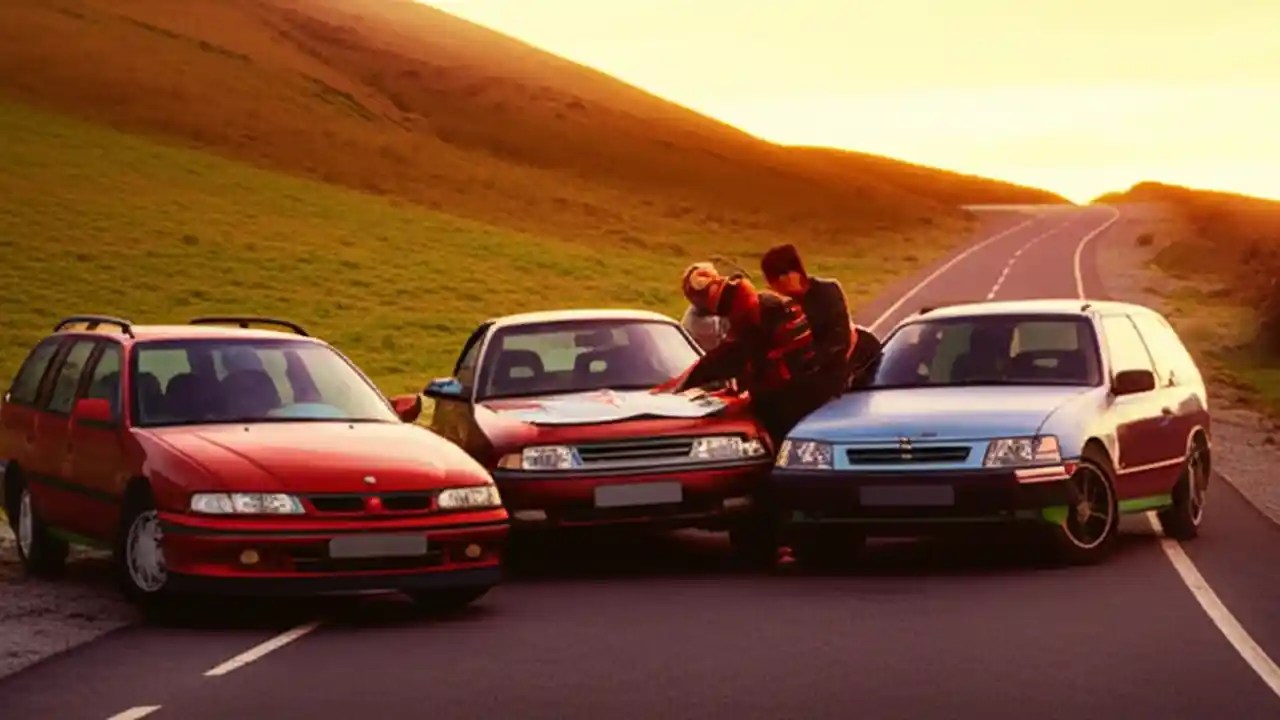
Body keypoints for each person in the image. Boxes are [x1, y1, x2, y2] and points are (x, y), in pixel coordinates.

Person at [658, 262, 827, 444]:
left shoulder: (755, 318)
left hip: (794, 401)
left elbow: (728, 359)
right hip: (805, 392)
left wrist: (676, 387)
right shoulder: (763, 304)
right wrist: (677, 385)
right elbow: (722, 359)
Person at [760, 243, 882, 392]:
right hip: (823, 372)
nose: (775, 287)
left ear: (792, 274)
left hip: (861, 364)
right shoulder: (782, 305)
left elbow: (838, 341)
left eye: (777, 281)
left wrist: (807, 365)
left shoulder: (828, 292)